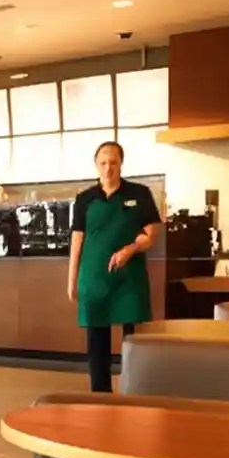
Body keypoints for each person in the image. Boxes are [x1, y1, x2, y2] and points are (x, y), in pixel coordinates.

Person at [67, 142, 162, 393]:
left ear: (121, 164)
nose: (108, 168)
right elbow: (77, 241)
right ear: (96, 165)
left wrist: (130, 249)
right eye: (103, 163)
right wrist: (72, 280)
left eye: (113, 162)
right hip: (94, 277)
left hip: (129, 278)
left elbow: (151, 234)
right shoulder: (85, 199)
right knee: (96, 342)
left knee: (134, 341)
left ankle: (135, 389)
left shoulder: (139, 194)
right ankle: (100, 395)